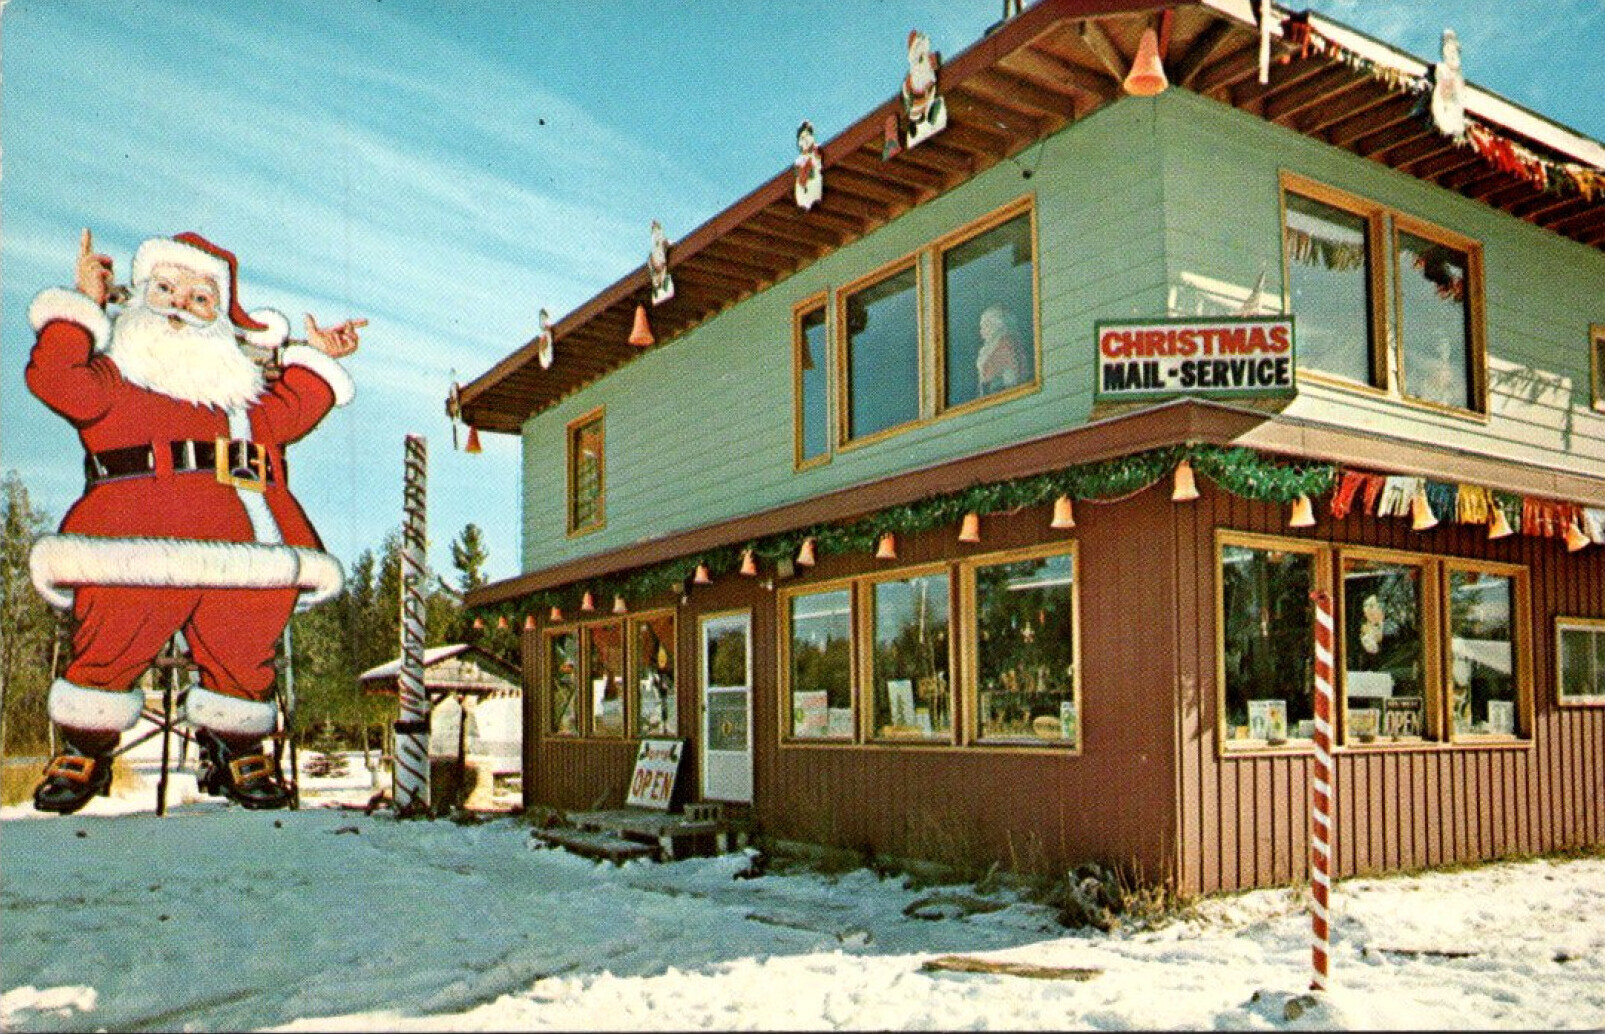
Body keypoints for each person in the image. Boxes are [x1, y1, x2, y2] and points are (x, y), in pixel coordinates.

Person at [26, 229, 364, 813]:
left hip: (241, 543)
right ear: (137, 299)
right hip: (128, 536)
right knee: (115, 618)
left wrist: (320, 361)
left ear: (223, 323)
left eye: (201, 298)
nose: (181, 304)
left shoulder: (241, 400)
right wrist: (80, 307)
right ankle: (88, 743)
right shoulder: (114, 378)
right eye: (165, 289)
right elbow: (57, 380)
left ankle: (236, 745)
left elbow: (292, 410)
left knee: (247, 627)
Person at [975, 304, 1026, 397]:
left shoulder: (1006, 344)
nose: (981, 331)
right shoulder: (991, 346)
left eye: (985, 325)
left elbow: (1011, 377)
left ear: (997, 325)